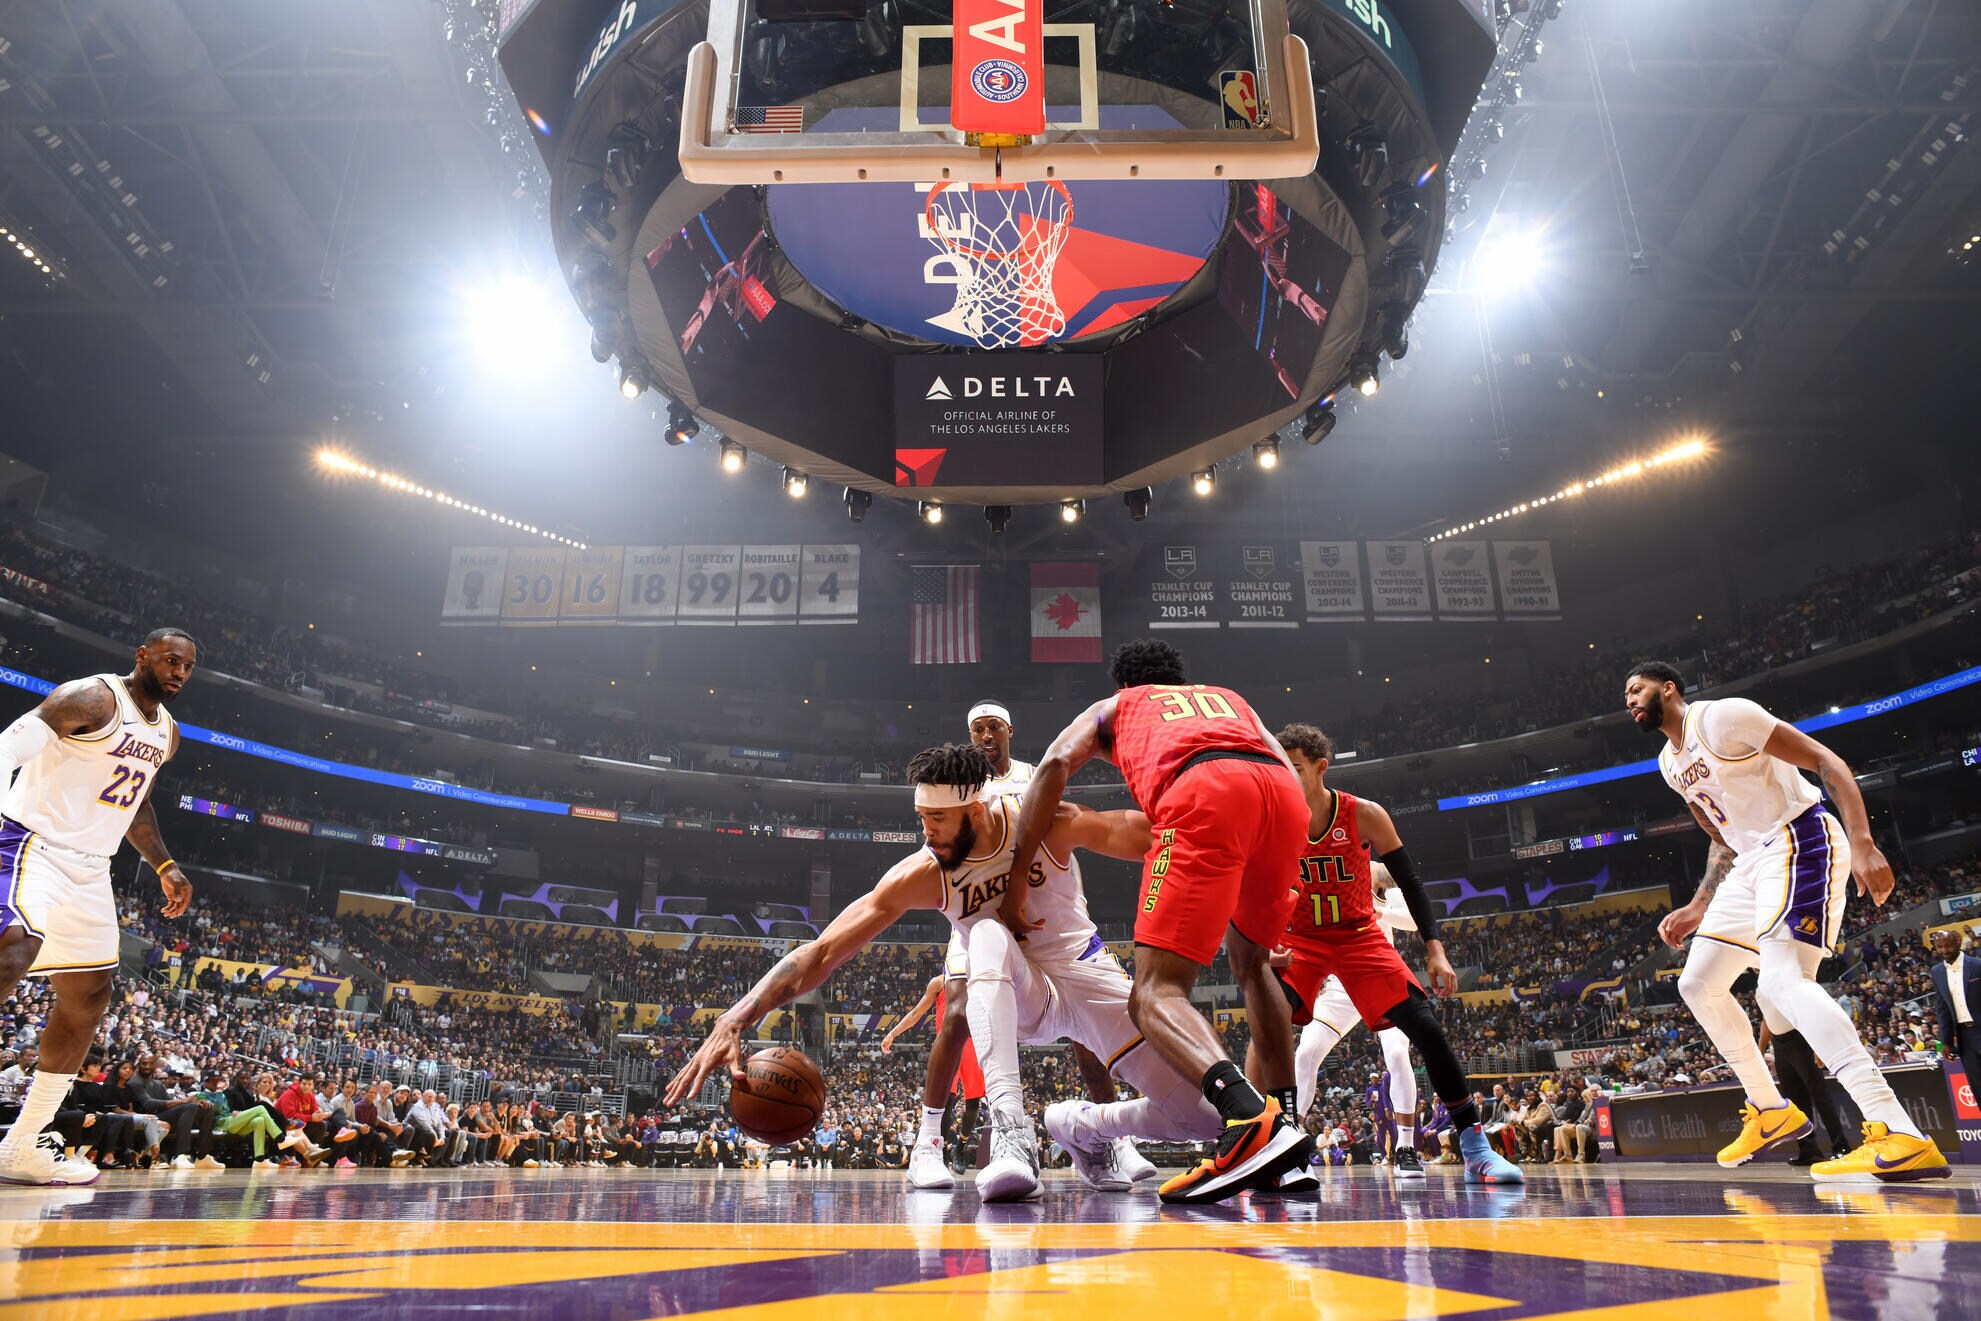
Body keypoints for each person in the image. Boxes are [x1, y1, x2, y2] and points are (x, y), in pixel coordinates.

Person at [665, 743, 1222, 1203]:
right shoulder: (925, 873)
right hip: (1020, 994)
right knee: (983, 933)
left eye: (937, 819)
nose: (926, 831)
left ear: (976, 811)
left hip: (1086, 972)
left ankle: (1085, 1126)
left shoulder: (1046, 819)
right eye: (921, 818)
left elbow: (1152, 837)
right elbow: (823, 950)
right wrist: (738, 1017)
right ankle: (1010, 1131)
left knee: (1205, 1120)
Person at [999, 640, 1312, 1203]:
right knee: (1254, 965)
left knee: (1153, 993)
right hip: (1284, 799)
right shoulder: (1228, 699)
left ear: (1123, 683)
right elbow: (1283, 763)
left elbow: (1051, 765)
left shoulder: (1114, 709)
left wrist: (1020, 873)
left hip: (1204, 789)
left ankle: (1248, 1120)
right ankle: (1287, 1132)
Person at [1629, 661, 1948, 1182]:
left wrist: (1864, 843)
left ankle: (1898, 1131)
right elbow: (1721, 835)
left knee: (1780, 983)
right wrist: (1699, 905)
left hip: (1798, 836)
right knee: (1698, 983)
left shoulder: (1723, 718)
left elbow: (1826, 761)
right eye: (1626, 694)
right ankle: (1771, 1108)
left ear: (1668, 689)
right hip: (1751, 862)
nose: (1630, 700)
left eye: (1636, 689)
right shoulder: (1669, 762)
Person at [885, 700, 1156, 1191]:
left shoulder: (1038, 776)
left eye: (993, 728)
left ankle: (1112, 1138)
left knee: (1084, 1029)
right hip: (977, 913)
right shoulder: (956, 790)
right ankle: (928, 1144)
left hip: (1042, 912)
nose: (985, 736)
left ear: (1009, 731)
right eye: (977, 730)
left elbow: (1070, 831)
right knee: (957, 1012)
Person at [1262, 724, 1523, 1185]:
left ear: (1321, 769)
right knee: (1270, 1026)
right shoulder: (1272, 815)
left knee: (1425, 1028)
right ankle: (1275, 1146)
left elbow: (1414, 883)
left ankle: (1475, 1147)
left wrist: (1434, 950)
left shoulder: (1364, 815)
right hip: (1301, 938)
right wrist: (1265, 946)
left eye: (1295, 768)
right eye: (1280, 765)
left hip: (1360, 935)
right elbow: (1254, 888)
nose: (1285, 775)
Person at [0, 630, 197, 1185]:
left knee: (89, 993)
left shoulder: (168, 734)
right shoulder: (91, 697)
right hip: (29, 841)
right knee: (13, 950)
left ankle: (23, 1145)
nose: (179, 671)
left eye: (188, 666)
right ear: (143, 657)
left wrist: (165, 865)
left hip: (91, 867)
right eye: (170, 660)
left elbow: (134, 804)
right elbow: (7, 747)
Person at [1283, 860, 1426, 1177]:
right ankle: (1290, 1145)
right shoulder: (1306, 867)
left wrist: (1379, 912)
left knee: (1397, 1053)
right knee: (1305, 1054)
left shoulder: (1375, 870)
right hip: (1339, 982)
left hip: (1379, 971)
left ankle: (1405, 1147)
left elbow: (1414, 920)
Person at [1931, 929, 1981, 1105]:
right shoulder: (1936, 972)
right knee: (1977, 1088)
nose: (1944, 950)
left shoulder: (1977, 965)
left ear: (1958, 943)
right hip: (1964, 1037)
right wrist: (1946, 1042)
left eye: (1948, 946)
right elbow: (1942, 1009)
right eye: (1940, 947)